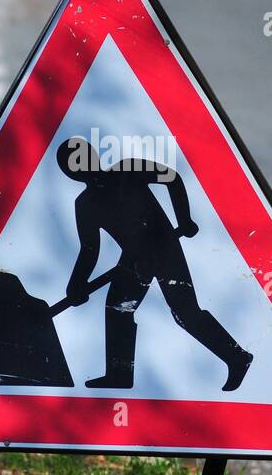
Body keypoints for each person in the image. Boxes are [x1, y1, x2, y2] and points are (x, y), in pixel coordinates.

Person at [57, 137, 252, 391]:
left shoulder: (127, 169)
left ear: (92, 156)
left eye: (81, 160)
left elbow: (172, 177)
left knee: (185, 313)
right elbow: (89, 249)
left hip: (164, 248)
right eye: (73, 166)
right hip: (133, 259)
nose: (80, 168)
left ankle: (237, 357)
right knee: (117, 310)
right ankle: (119, 375)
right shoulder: (84, 204)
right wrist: (76, 284)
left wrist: (185, 218)